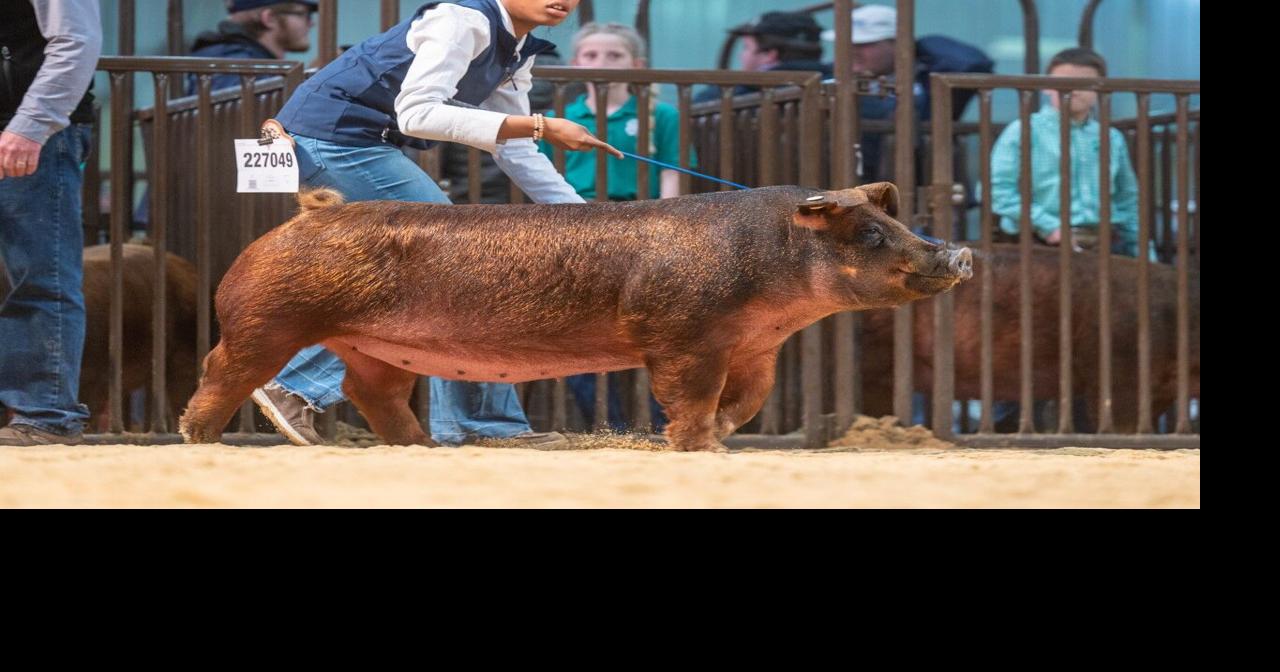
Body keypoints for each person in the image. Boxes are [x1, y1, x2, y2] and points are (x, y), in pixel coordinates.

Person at [253, 0, 620, 448]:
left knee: (434, 276)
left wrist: (584, 218)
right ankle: (477, 427)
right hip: (335, 140)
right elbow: (418, 114)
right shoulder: (459, 19)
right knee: (458, 264)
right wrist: (540, 124)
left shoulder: (517, 46)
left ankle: (298, 386)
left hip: (356, 141)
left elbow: (516, 149)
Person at [538, 22, 676, 430]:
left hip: (643, 225)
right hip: (573, 223)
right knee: (578, 330)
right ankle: (608, 428)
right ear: (576, 63)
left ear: (637, 65)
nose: (602, 64)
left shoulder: (662, 115)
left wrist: (668, 229)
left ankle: (658, 426)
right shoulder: (557, 120)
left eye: (614, 56)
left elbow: (670, 176)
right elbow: (538, 173)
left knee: (659, 329)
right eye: (592, 55)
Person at [0, 0, 102, 446]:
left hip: (26, 133)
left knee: (41, 274)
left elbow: (76, 41)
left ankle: (46, 413)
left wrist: (31, 126)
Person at [989, 47, 1140, 256]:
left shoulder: (1111, 138)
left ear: (1100, 88)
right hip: (1036, 246)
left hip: (1104, 246)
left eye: (1084, 83)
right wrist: (1048, 225)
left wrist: (1141, 253)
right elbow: (996, 191)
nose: (1073, 90)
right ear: (1046, 86)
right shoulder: (1023, 130)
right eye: (1063, 82)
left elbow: (1128, 200)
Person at [695, 11, 831, 103]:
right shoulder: (837, 87)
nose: (741, 55)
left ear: (769, 55)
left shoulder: (730, 95)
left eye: (746, 47)